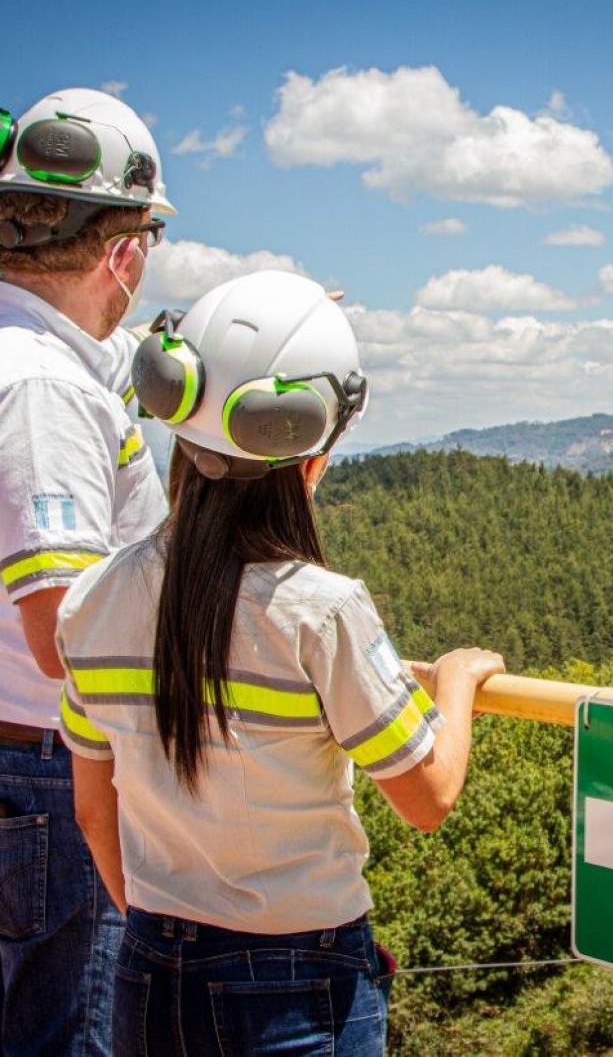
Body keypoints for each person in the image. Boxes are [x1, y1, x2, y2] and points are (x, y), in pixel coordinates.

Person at [55, 270, 504, 1056]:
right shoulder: (319, 613)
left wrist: (163, 939)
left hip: (150, 968)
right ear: (312, 459)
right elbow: (428, 796)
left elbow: (96, 813)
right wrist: (457, 683)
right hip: (298, 984)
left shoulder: (93, 602)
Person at [0, 87, 173, 1055]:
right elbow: (64, 622)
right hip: (48, 778)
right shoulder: (41, 385)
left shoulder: (35, 359)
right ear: (123, 251)